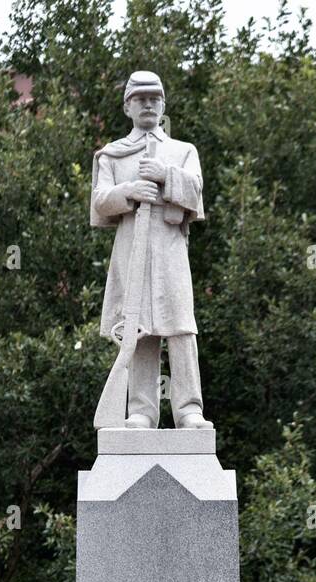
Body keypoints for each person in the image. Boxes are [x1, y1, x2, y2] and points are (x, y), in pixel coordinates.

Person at [90, 70, 211, 429]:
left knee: (180, 327)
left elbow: (196, 192)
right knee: (138, 329)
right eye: (140, 98)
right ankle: (142, 410)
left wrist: (164, 175)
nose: (147, 104)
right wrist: (129, 192)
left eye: (154, 98)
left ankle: (189, 408)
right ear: (127, 106)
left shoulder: (182, 151)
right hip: (133, 248)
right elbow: (100, 202)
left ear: (163, 105)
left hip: (170, 247)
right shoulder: (111, 154)